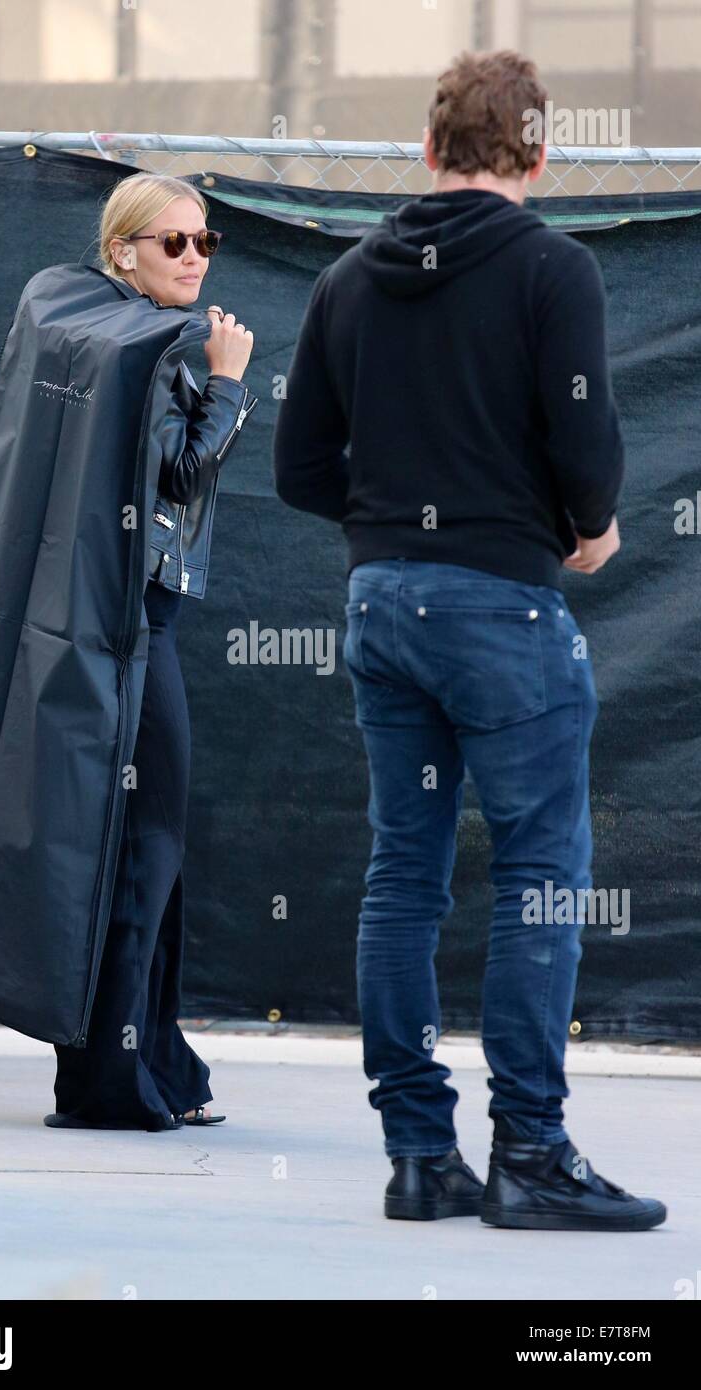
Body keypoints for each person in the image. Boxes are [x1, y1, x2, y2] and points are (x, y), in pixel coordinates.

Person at [273, 51, 666, 1230]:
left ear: (429, 148)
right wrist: (583, 531)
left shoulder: (348, 277)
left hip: (384, 603)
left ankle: (416, 1155)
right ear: (542, 154)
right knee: (541, 878)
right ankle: (532, 1156)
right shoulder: (556, 269)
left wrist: (399, 529)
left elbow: (300, 469)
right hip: (503, 606)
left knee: (406, 872)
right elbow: (587, 452)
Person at [45, 173, 257, 1132]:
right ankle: (109, 1079)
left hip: (112, 625)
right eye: (174, 243)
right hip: (134, 630)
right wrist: (228, 384)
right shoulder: (154, 343)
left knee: (142, 851)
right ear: (122, 248)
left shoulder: (90, 329)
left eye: (205, 242)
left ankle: (154, 1060)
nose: (195, 259)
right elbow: (179, 473)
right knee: (145, 849)